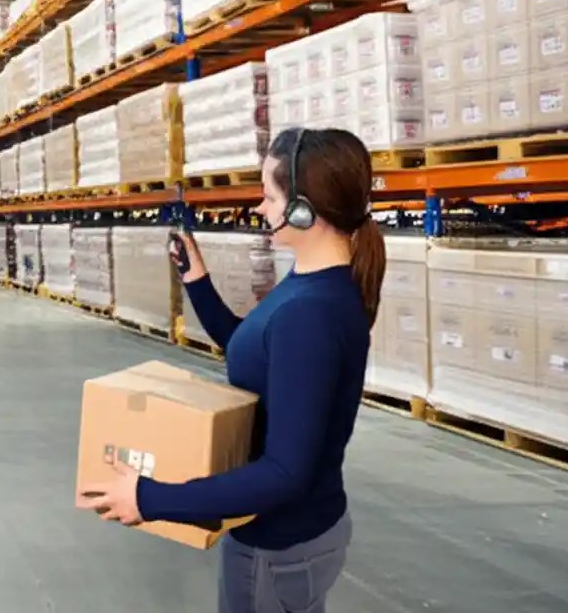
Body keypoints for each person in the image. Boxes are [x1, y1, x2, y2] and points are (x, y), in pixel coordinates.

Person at [78, 127, 386, 613]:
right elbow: (255, 351)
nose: (260, 208)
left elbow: (285, 473)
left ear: (304, 210)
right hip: (293, 538)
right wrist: (197, 282)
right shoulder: (312, 282)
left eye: (269, 197)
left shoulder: (311, 313)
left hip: (278, 549)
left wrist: (149, 498)